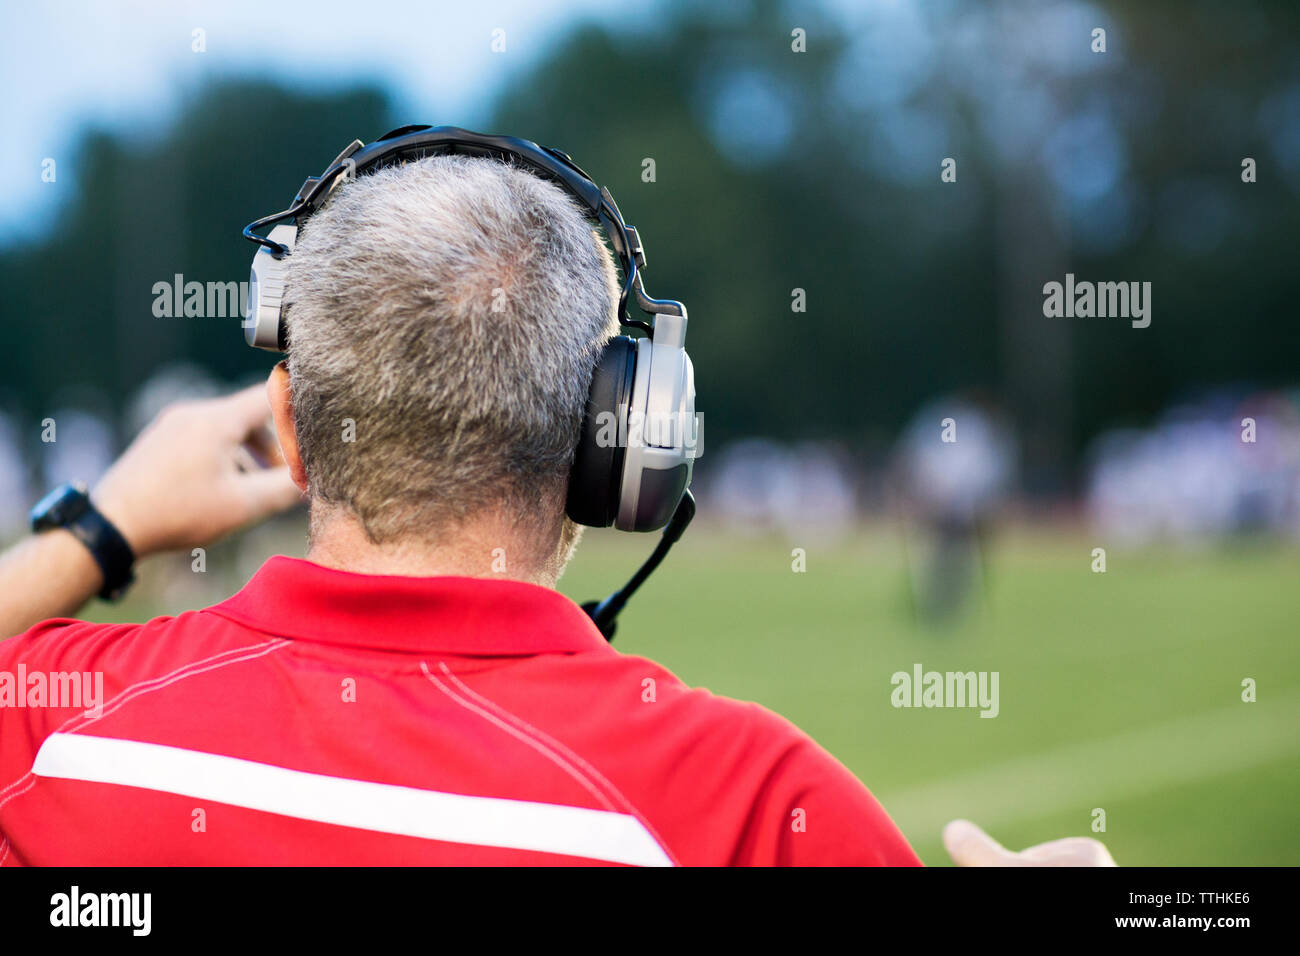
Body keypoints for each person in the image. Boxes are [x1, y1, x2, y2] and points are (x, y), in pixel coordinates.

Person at [0, 153, 1112, 866]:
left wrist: (98, 527)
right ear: (622, 438)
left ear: (286, 423)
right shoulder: (759, 804)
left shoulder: (53, 721)